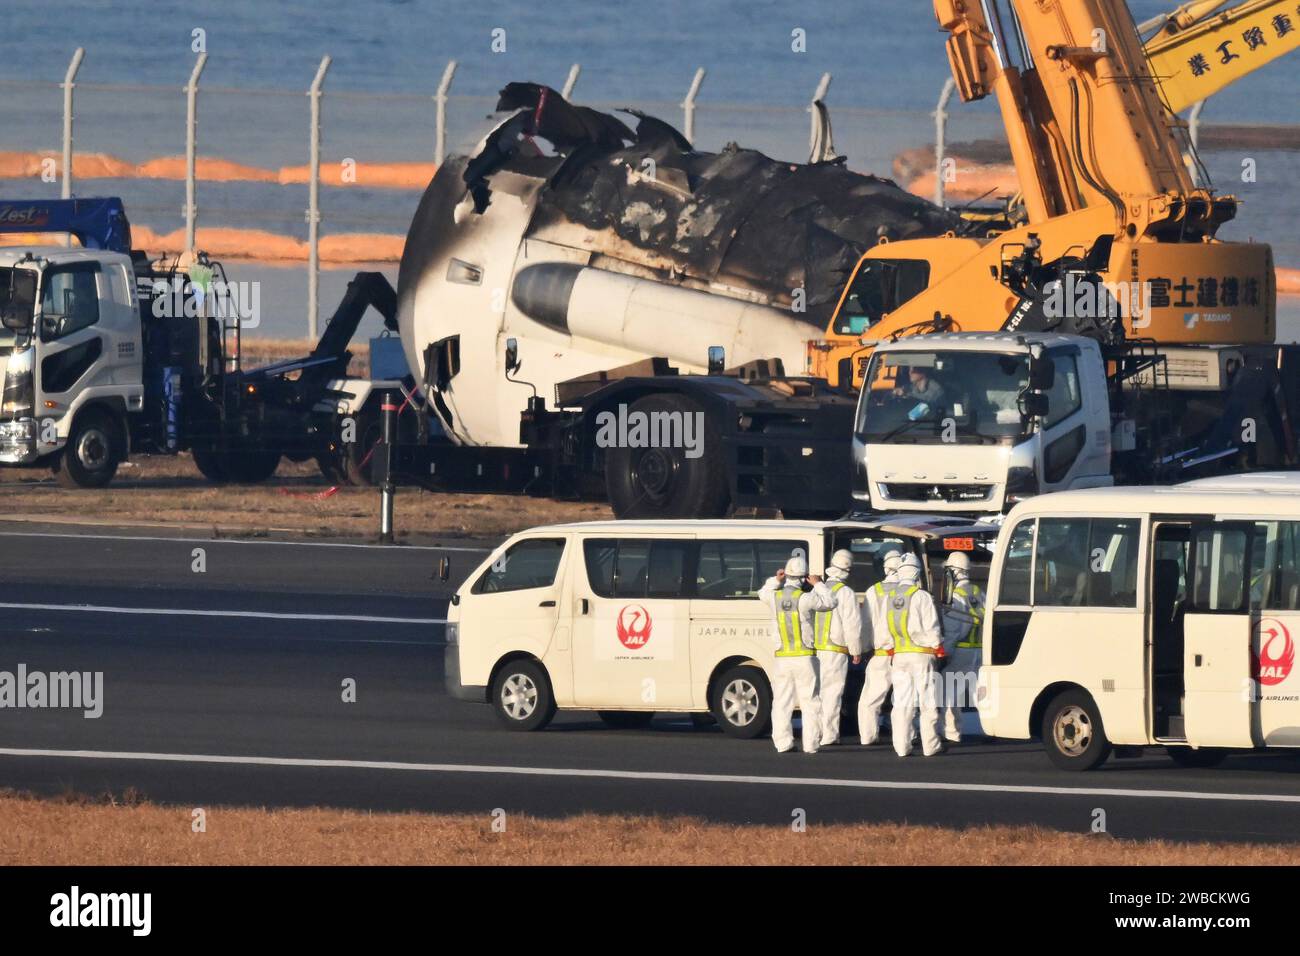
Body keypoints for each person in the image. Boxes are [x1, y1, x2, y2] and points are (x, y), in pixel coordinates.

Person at [758, 556, 836, 754]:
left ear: (787, 575)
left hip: (782, 658)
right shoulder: (806, 599)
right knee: (809, 701)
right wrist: (818, 584)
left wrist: (776, 580)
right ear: (803, 578)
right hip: (805, 658)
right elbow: (830, 602)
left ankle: (782, 743)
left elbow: (762, 592)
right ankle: (810, 744)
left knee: (782, 701)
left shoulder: (773, 597)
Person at [878, 553, 945, 757]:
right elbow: (932, 626)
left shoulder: (890, 597)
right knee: (928, 702)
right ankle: (931, 746)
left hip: (899, 656)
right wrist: (938, 646)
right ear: (916, 572)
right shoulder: (921, 595)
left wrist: (890, 648)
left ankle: (901, 747)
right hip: (922, 655)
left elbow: (883, 629)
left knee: (901, 703)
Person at [813, 549, 863, 747]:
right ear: (848, 570)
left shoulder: (817, 589)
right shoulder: (846, 593)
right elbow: (852, 624)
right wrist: (856, 650)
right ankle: (830, 735)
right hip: (836, 651)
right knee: (832, 693)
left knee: (817, 693)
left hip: (817, 650)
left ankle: (815, 732)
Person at [857, 549, 903, 745]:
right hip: (905, 654)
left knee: (869, 700)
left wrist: (865, 648)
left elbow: (866, 623)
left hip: (881, 654)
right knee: (904, 700)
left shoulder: (873, 591)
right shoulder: (911, 592)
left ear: (884, 567)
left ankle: (868, 736)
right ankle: (906, 736)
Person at [938, 551, 985, 745]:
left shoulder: (955, 596)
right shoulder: (977, 591)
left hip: (961, 650)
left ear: (954, 572)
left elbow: (953, 630)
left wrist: (944, 653)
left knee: (948, 692)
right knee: (979, 693)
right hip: (979, 650)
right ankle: (987, 729)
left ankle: (952, 733)